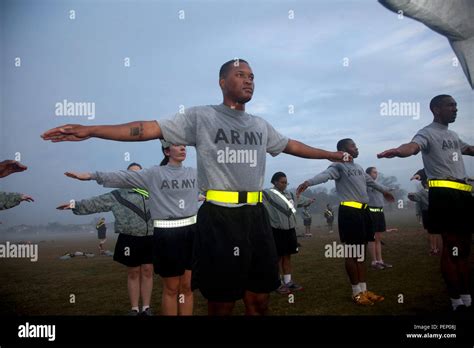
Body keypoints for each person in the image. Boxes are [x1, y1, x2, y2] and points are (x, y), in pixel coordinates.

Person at [41, 58, 350, 316]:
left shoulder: (260, 125)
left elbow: (292, 145)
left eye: (252, 77)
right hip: (219, 218)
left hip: (257, 217)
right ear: (222, 81)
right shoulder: (201, 116)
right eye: (240, 75)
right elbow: (145, 129)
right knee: (221, 302)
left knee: (259, 299)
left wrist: (331, 154)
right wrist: (92, 129)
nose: (249, 81)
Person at [63, 141, 198, 316]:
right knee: (153, 280)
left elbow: (188, 189)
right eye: (177, 145)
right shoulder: (132, 187)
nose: (183, 148)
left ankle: (146, 307)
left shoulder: (168, 183)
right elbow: (110, 188)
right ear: (166, 151)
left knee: (179, 284)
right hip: (148, 236)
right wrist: (88, 179)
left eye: (184, 146)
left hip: (169, 235)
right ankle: (135, 308)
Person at [378, 94, 474, 312]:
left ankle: (467, 296)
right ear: (436, 109)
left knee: (465, 248)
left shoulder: (453, 135)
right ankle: (456, 300)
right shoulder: (427, 132)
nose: (455, 109)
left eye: (456, 105)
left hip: (464, 195)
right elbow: (411, 147)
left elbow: (468, 149)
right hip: (444, 196)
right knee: (452, 248)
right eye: (451, 105)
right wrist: (398, 152)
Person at [297, 139, 394, 305]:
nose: (356, 148)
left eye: (356, 145)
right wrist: (308, 183)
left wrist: (385, 191)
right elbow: (325, 176)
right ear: (343, 150)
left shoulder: (359, 168)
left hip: (364, 212)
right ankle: (356, 292)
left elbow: (371, 182)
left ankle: (364, 290)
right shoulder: (338, 166)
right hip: (350, 213)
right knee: (351, 254)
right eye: (353, 146)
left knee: (361, 254)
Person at [57, 162, 154, 316]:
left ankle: (147, 308)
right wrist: (74, 204)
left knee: (148, 271)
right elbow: (96, 203)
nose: (134, 177)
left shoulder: (153, 192)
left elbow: (174, 196)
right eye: (130, 174)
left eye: (138, 174)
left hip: (150, 238)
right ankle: (135, 308)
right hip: (129, 238)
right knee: (133, 272)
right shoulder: (117, 195)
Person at [262, 172, 314, 295]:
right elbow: (255, 197)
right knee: (277, 258)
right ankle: (277, 283)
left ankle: (288, 282)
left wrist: (309, 201)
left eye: (286, 182)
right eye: (282, 182)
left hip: (290, 230)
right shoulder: (267, 194)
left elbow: (299, 199)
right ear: (275, 182)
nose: (285, 184)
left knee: (287, 256)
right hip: (276, 230)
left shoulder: (290, 194)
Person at [408, 169, 442, 256]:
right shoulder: (422, 192)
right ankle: (432, 249)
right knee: (431, 232)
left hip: (436, 212)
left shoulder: (435, 191)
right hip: (427, 213)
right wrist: (410, 195)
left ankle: (437, 248)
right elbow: (415, 197)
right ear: (426, 184)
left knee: (436, 232)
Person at [365, 167, 392, 270]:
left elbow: (383, 188)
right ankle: (374, 261)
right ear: (368, 174)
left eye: (377, 173)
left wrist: (388, 191)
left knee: (379, 238)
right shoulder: (365, 184)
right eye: (374, 172)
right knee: (372, 239)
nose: (376, 174)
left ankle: (380, 261)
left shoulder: (378, 185)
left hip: (380, 212)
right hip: (370, 212)